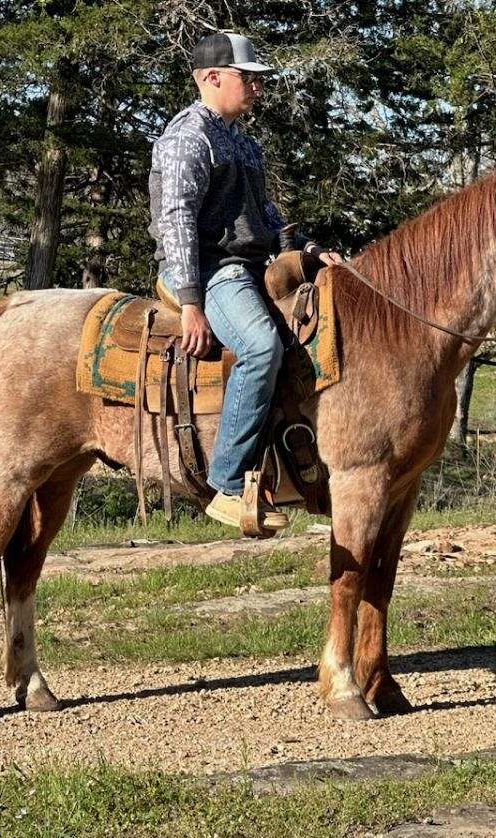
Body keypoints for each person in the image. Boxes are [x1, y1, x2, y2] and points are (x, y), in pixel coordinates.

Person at [148, 31, 342, 532]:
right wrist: (191, 301)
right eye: (247, 77)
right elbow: (176, 221)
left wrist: (310, 250)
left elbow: (266, 218)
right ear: (213, 77)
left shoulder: (244, 143)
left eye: (258, 79)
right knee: (260, 348)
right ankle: (228, 485)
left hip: (250, 266)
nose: (258, 87)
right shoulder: (187, 138)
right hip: (209, 269)